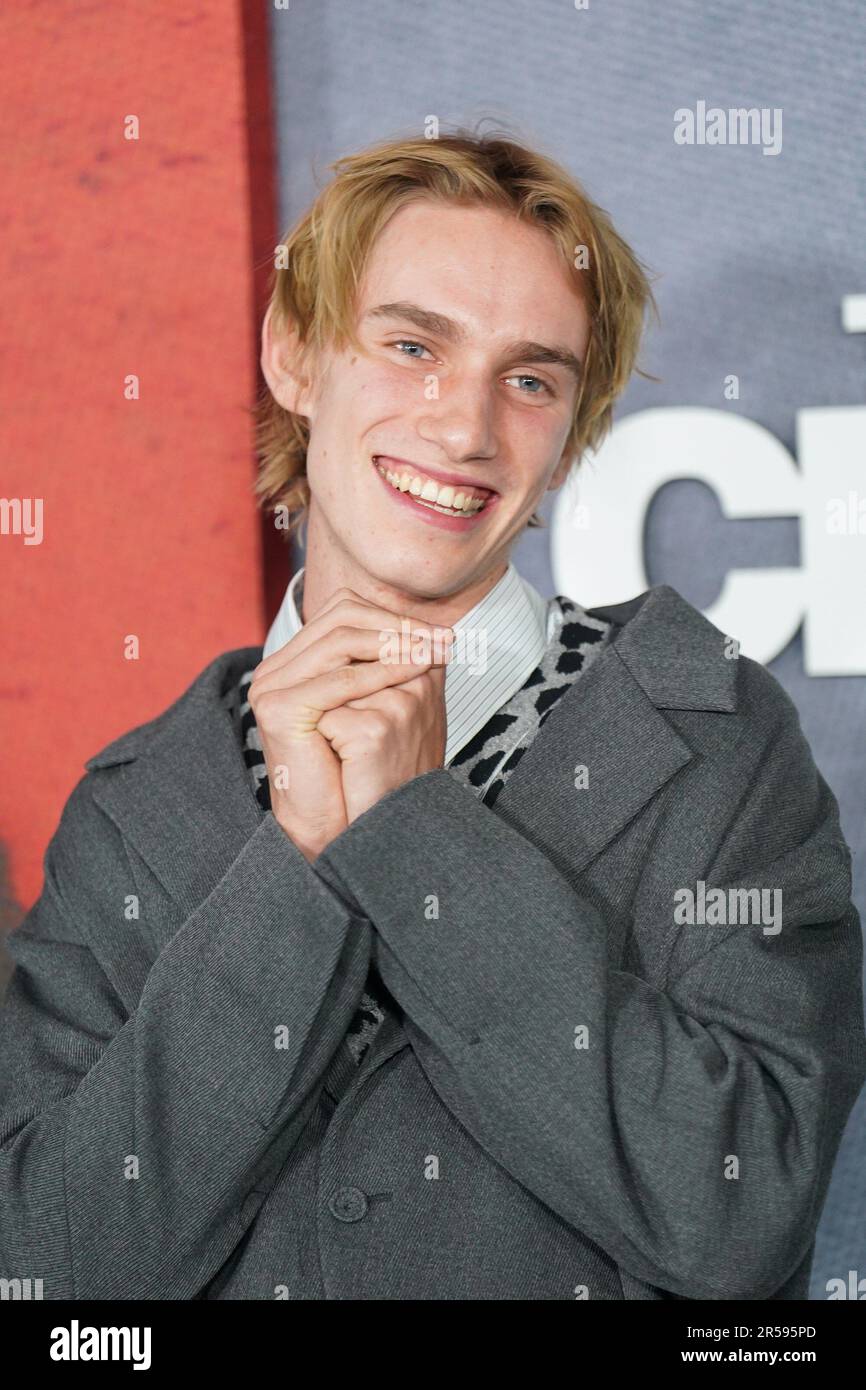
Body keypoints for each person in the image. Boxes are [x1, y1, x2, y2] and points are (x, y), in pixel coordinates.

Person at [2, 132, 864, 1301]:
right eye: (411, 345)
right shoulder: (135, 801)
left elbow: (737, 1217)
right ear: (295, 355)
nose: (463, 428)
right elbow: (48, 1273)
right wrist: (294, 868)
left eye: (529, 379)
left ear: (568, 436)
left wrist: (411, 827)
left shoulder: (706, 731)